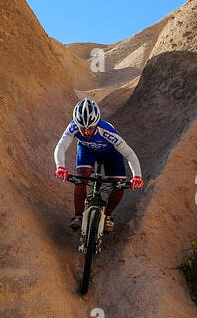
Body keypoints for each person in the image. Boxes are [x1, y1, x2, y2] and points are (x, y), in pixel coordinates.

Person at [53, 97, 143, 232]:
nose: (86, 132)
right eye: (82, 128)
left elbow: (129, 153)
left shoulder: (106, 130)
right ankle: (78, 216)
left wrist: (137, 176)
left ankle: (108, 216)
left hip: (110, 152)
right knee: (81, 179)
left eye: (90, 128)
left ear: (97, 123)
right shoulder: (73, 127)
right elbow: (61, 146)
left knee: (119, 183)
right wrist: (60, 166)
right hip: (87, 150)